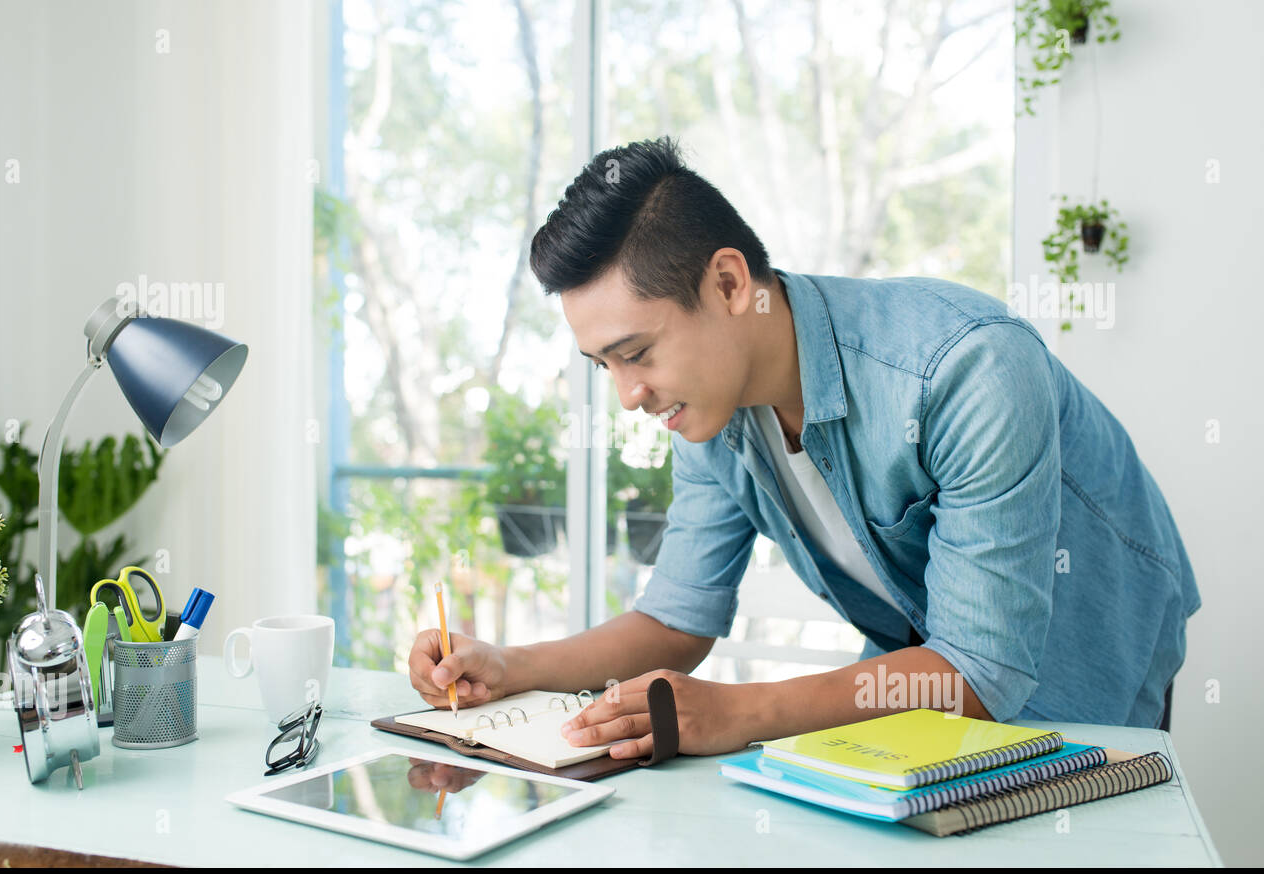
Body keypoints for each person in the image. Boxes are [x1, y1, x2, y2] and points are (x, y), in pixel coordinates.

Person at [407, 136, 1200, 761]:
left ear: (727, 283)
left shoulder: (966, 367)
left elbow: (981, 669)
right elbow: (677, 621)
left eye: (637, 352)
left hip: (1091, 660)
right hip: (925, 679)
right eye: (604, 365)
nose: (627, 394)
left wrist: (744, 711)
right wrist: (511, 665)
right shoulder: (710, 413)